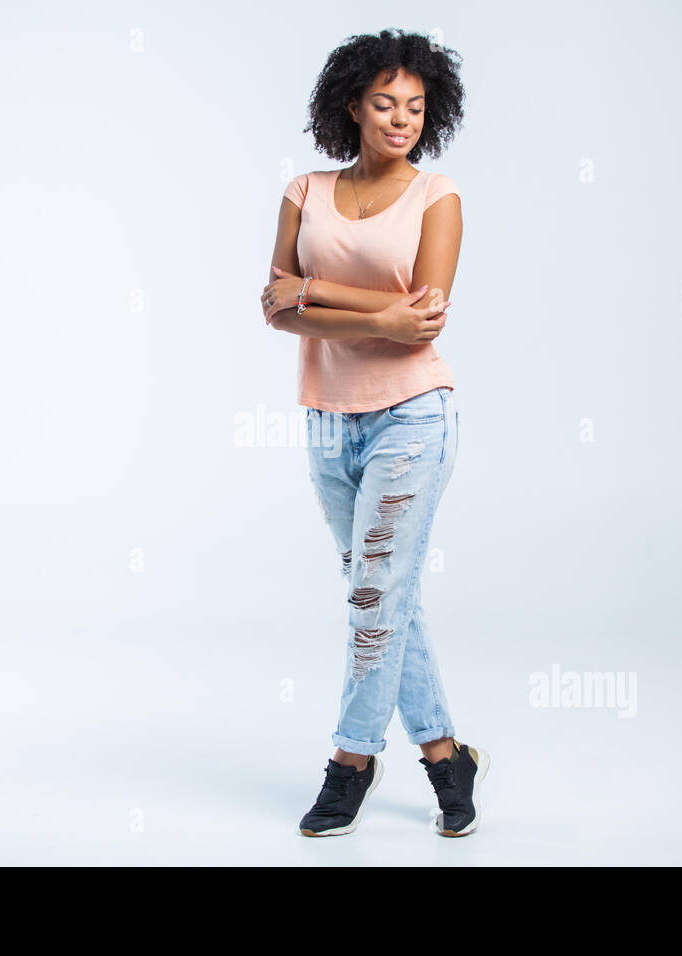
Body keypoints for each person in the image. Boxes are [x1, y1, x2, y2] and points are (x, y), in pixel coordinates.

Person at [262, 28, 488, 838]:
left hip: (411, 417)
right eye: (386, 102)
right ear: (353, 104)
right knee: (388, 597)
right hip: (329, 422)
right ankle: (443, 754)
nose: (401, 119)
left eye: (417, 108)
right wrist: (374, 308)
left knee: (371, 597)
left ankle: (350, 762)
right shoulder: (304, 192)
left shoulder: (438, 197)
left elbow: (419, 324)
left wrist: (323, 296)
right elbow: (273, 306)